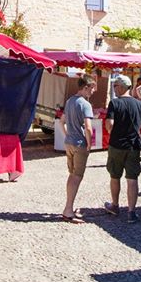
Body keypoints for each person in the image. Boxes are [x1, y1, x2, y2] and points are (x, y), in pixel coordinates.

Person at [104, 74, 141, 222]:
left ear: (122, 87)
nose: (114, 88)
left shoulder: (114, 103)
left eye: (115, 85)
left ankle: (115, 205)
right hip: (133, 145)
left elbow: (109, 124)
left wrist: (111, 130)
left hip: (117, 144)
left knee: (115, 176)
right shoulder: (138, 104)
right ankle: (131, 212)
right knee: (132, 178)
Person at [61, 74, 97, 222]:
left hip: (69, 142)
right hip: (79, 144)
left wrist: (67, 135)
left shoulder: (70, 101)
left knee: (72, 175)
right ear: (86, 87)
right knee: (77, 176)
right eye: (92, 88)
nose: (93, 91)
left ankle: (68, 207)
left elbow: (61, 121)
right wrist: (89, 144)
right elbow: (88, 128)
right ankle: (68, 209)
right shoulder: (85, 104)